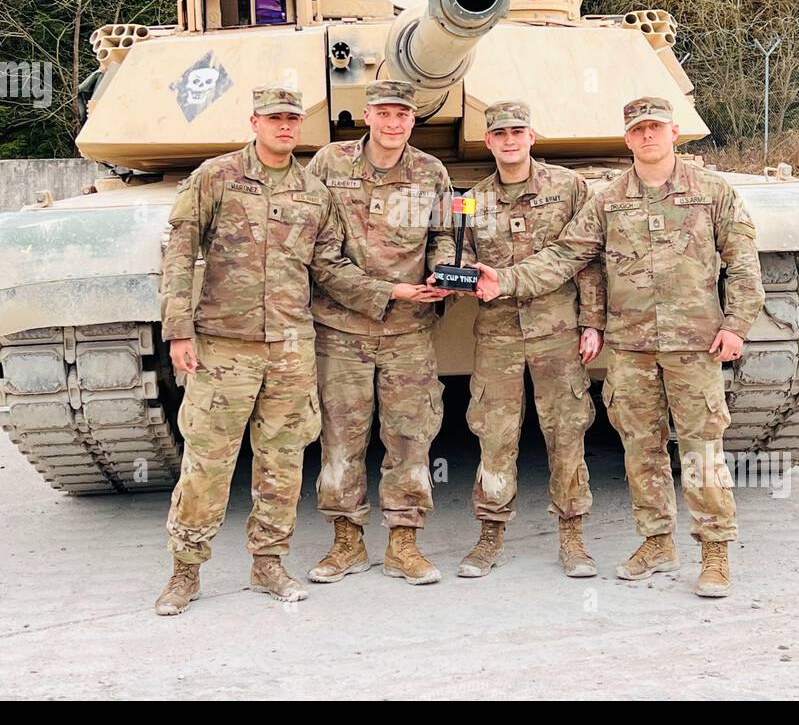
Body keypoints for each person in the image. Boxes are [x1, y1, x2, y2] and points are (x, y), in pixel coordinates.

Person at [474, 96, 764, 597]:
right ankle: (656, 541)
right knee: (640, 447)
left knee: (700, 449)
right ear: (627, 138)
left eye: (656, 127)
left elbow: (742, 261)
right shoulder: (606, 200)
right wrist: (508, 280)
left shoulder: (713, 192)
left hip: (695, 344)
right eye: (638, 130)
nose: (647, 136)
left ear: (675, 132)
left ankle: (714, 551)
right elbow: (568, 254)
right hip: (631, 348)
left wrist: (737, 324)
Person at [154, 85, 386, 613]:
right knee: (209, 460)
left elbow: (329, 266)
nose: (284, 127)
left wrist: (388, 294)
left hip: (289, 345)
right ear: (254, 121)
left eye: (292, 119)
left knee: (282, 459)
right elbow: (181, 250)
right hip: (223, 344)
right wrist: (178, 329)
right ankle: (185, 571)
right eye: (274, 118)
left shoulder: (311, 190)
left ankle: (268, 561)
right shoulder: (216, 176)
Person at [432, 99, 606, 578]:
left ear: (532, 136)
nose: (509, 140)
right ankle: (490, 534)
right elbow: (457, 246)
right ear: (488, 141)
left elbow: (588, 258)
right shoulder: (471, 199)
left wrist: (593, 321)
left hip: (558, 330)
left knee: (566, 430)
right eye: (500, 133)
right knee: (495, 432)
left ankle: (572, 536)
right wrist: (452, 271)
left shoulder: (570, 188)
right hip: (499, 332)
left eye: (518, 132)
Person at [306, 80, 453, 586]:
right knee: (342, 438)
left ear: (414, 120)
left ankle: (404, 544)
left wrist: (442, 274)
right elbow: (316, 252)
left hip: (409, 332)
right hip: (341, 326)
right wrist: (389, 291)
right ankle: (346, 541)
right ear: (367, 115)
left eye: (403, 115)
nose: (394, 123)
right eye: (385, 113)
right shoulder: (328, 165)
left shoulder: (431, 172)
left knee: (410, 437)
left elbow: (444, 235)